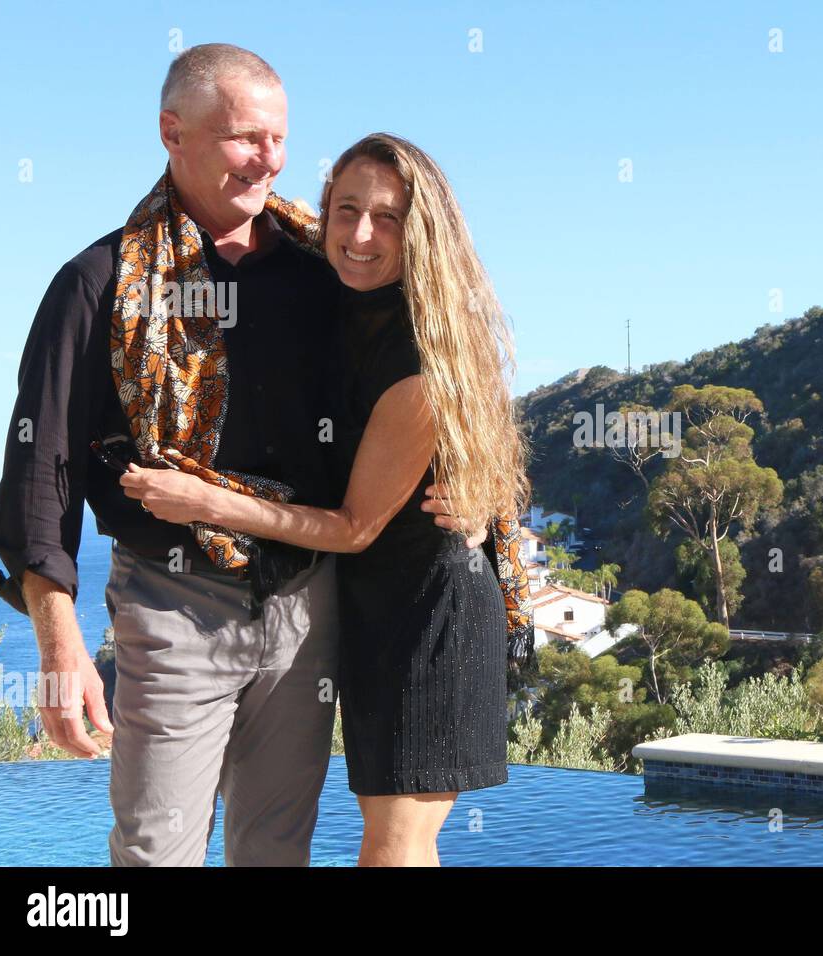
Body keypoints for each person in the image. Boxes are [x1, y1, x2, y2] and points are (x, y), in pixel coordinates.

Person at [0, 43, 482, 866]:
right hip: (171, 603)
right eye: (244, 138)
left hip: (308, 601)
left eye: (279, 139)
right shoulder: (98, 283)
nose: (268, 161)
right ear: (171, 133)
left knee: (275, 852)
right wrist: (59, 647)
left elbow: (432, 380)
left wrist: (477, 490)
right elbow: (42, 471)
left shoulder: (329, 271)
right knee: (156, 850)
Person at [120, 132, 533, 867]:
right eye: (346, 211)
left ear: (424, 232)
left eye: (389, 218)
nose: (361, 235)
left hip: (427, 620)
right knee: (397, 844)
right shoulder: (335, 292)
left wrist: (203, 501)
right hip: (369, 612)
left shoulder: (419, 360)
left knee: (394, 846)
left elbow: (351, 528)